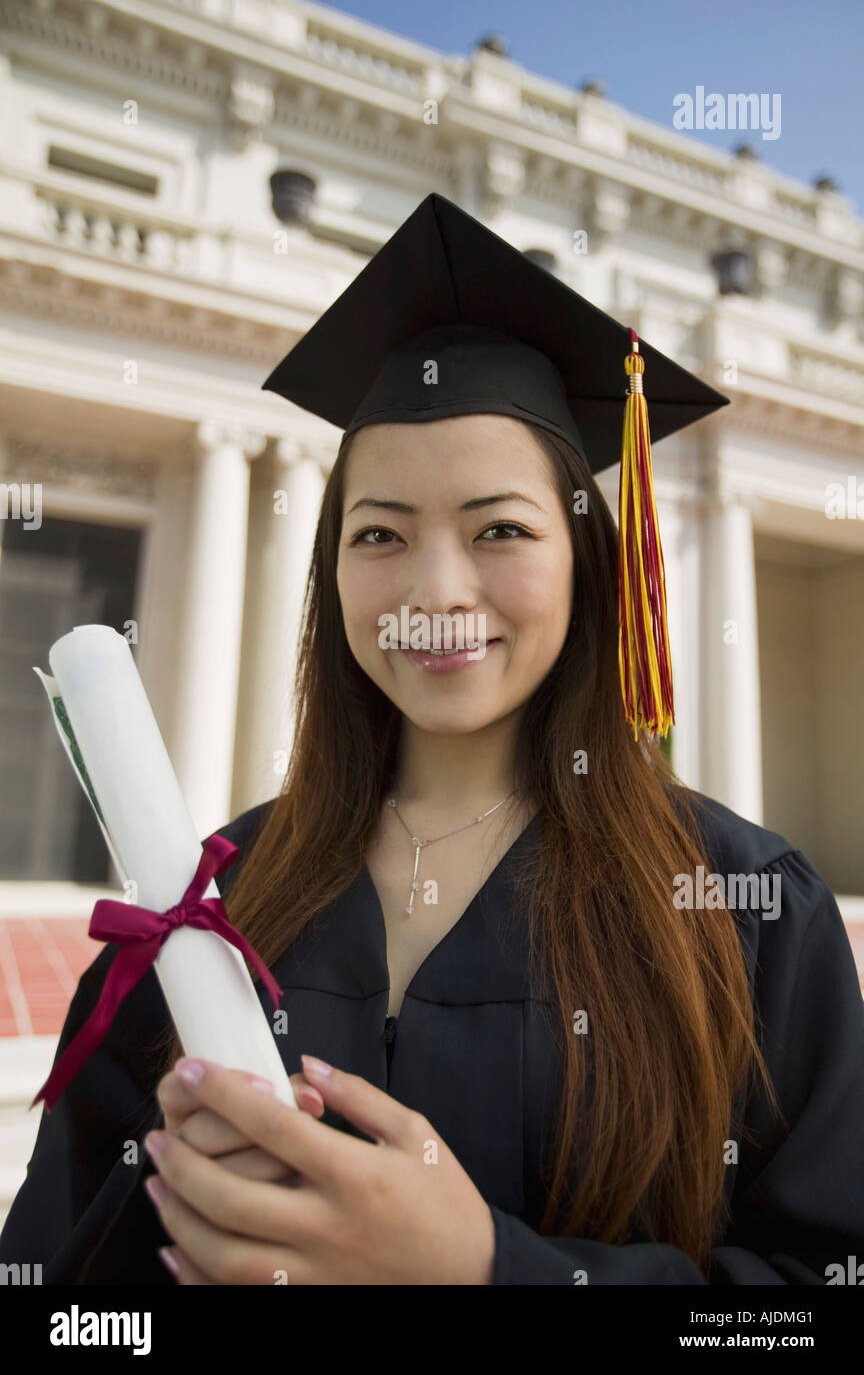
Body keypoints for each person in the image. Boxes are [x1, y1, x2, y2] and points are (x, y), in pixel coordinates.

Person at [2, 193, 862, 1285]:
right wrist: (163, 1211)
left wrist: (486, 1271)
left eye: (500, 527)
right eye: (380, 534)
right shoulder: (206, 907)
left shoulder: (749, 914)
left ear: (588, 562)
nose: (434, 590)